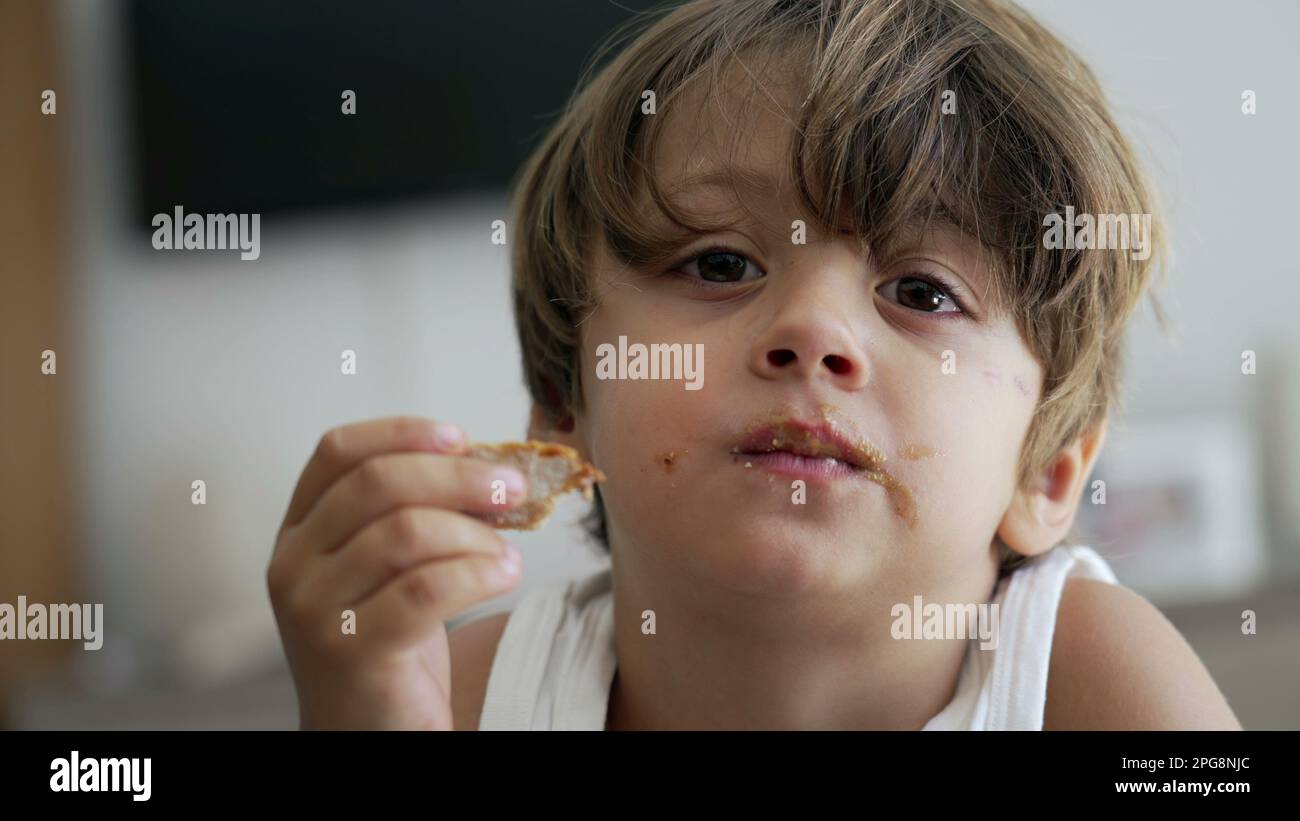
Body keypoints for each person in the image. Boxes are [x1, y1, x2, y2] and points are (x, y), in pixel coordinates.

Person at [268, 0, 1241, 730]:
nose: (812, 330)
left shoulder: (1089, 681)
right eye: (720, 264)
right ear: (567, 400)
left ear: (1046, 467)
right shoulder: (465, 694)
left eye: (922, 292)